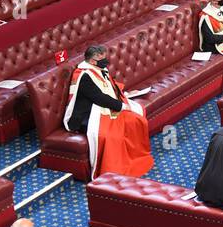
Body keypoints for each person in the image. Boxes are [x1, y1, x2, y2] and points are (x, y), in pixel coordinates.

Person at [62, 45, 154, 178]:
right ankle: (112, 171)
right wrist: (121, 106)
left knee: (135, 120)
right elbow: (99, 97)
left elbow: (110, 87)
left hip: (103, 106)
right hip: (86, 114)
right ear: (92, 61)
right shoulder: (84, 75)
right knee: (111, 135)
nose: (105, 61)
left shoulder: (100, 69)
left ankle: (134, 157)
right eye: (102, 58)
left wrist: (125, 95)